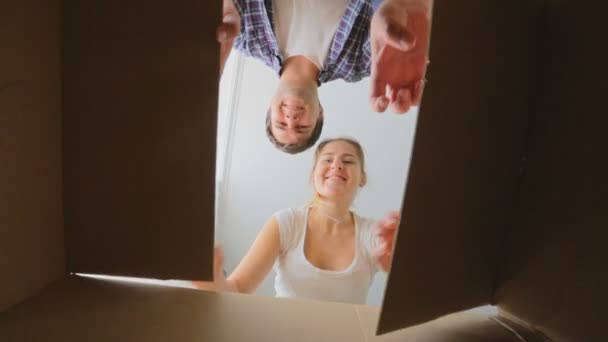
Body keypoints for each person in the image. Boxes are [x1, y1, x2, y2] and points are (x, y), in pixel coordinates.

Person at [193, 137, 400, 304]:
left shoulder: (373, 232)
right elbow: (236, 289)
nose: (336, 165)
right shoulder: (286, 223)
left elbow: (416, 290)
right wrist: (210, 277)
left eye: (348, 161)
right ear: (313, 174)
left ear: (362, 178)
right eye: (327, 160)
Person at [216, 0, 433, 154]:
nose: (291, 120)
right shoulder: (357, 62)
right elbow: (390, 22)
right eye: (302, 127)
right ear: (320, 113)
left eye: (281, 124)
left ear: (270, 106)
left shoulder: (246, 38)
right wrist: (401, 7)